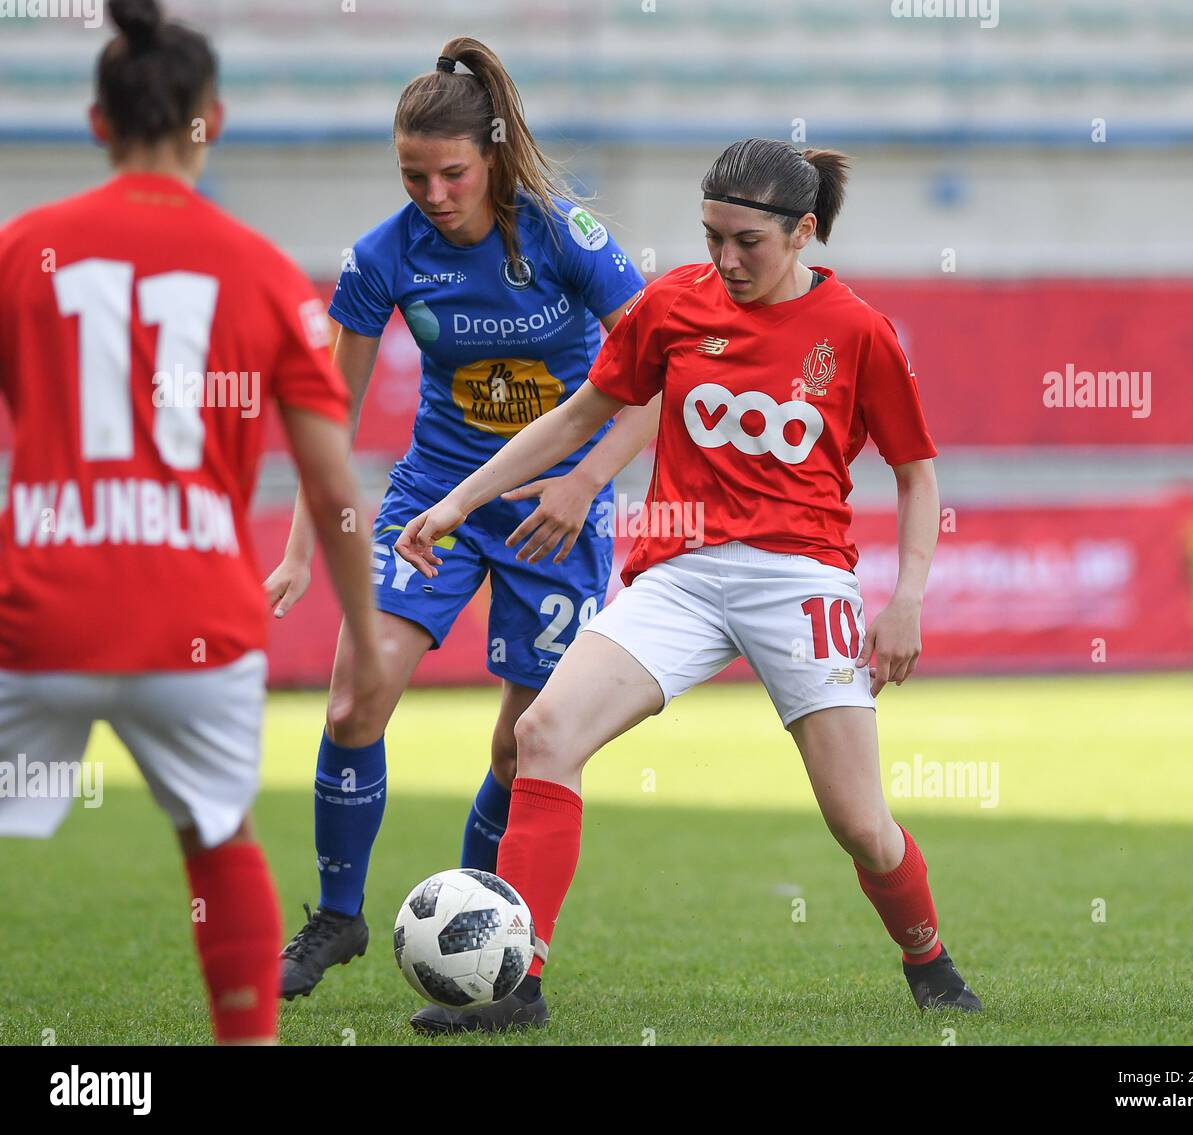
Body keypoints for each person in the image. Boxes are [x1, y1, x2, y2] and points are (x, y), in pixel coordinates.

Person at [396, 137, 983, 1033]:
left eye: (747, 241)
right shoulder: (671, 304)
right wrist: (457, 501)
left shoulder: (858, 331)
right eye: (712, 235)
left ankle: (929, 959)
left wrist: (906, 601)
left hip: (802, 578)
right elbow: (578, 417)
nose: (725, 259)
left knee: (861, 823)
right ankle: (520, 986)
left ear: (804, 232)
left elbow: (916, 473)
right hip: (679, 570)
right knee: (543, 732)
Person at [0, 0, 381, 1045]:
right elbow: (333, 485)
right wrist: (373, 636)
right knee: (221, 844)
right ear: (210, 118)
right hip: (198, 623)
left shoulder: (21, 248)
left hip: (39, 616)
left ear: (94, 122)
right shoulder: (257, 269)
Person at [268, 36, 657, 1006]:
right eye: (412, 174)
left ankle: (490, 924)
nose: (433, 194)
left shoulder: (565, 237)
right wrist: (296, 551)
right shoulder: (383, 256)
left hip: (550, 516)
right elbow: (331, 411)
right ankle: (337, 913)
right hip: (432, 502)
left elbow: (658, 374)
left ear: (489, 158)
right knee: (357, 697)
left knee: (520, 747)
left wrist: (585, 482)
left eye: (450, 173)